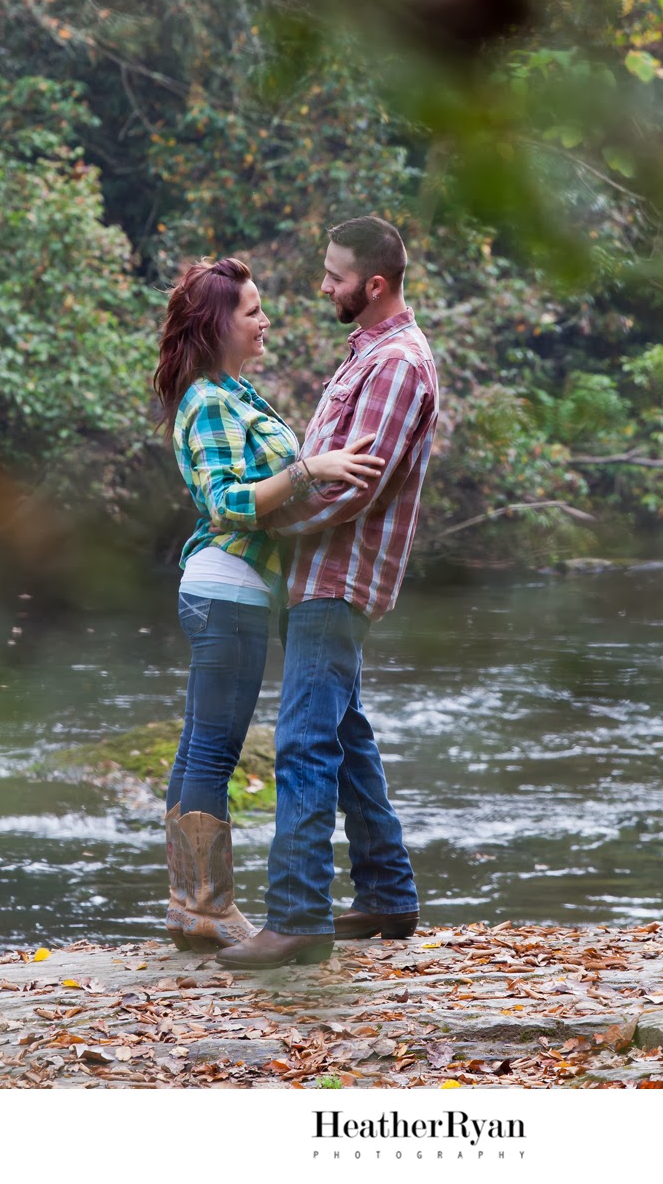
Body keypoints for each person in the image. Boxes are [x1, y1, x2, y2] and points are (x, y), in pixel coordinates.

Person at [218, 215, 439, 968]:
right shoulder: (368, 355)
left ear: (373, 284)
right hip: (321, 575)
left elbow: (353, 490)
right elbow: (328, 468)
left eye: (335, 276)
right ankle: (387, 893)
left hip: (337, 576)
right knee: (345, 736)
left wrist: (264, 521)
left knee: (304, 740)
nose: (323, 286)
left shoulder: (398, 364)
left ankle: (297, 919)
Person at [153, 256, 384, 951]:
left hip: (239, 594)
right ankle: (201, 906)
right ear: (217, 322)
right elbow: (224, 501)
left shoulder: (237, 392)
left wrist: (325, 465)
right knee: (213, 749)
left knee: (202, 743)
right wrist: (309, 468)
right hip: (228, 591)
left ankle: (194, 905)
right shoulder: (210, 401)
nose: (265, 319)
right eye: (252, 309)